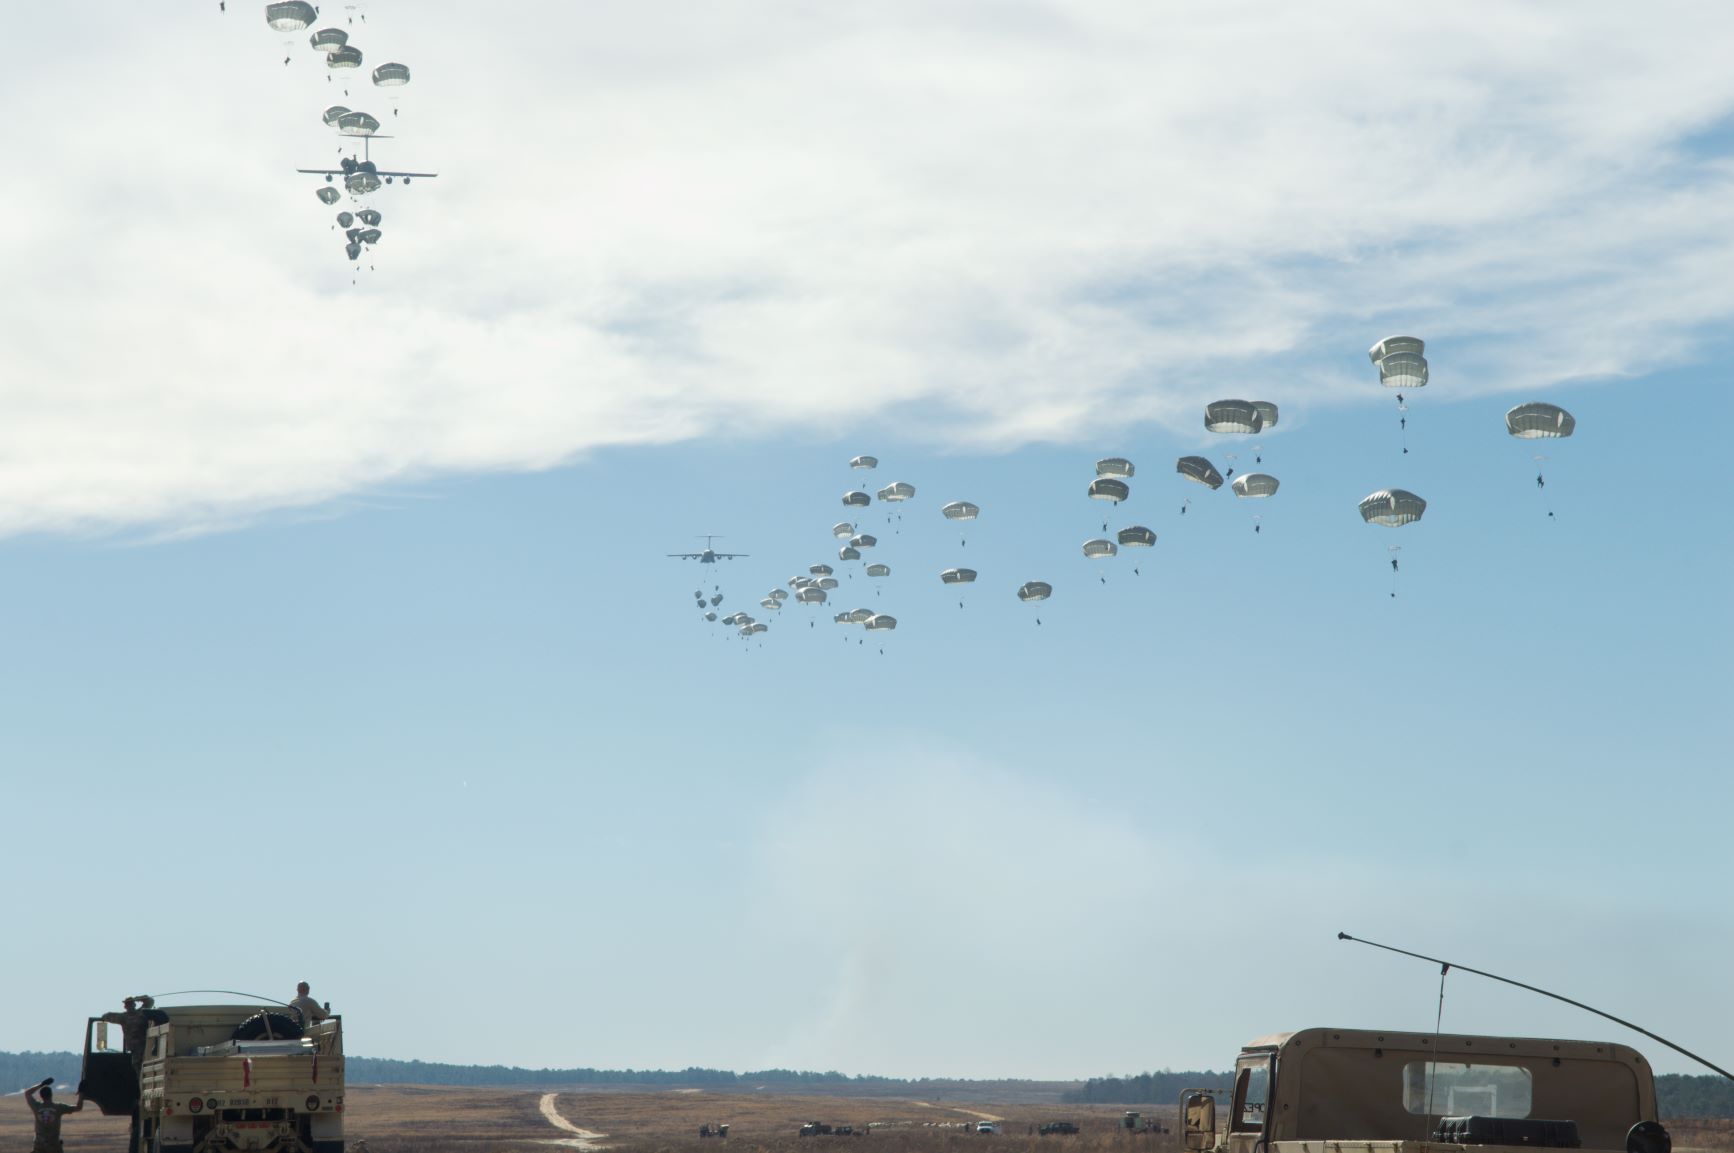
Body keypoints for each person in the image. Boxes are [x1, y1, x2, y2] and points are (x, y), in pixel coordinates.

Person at [25, 1078, 83, 1153]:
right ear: (51, 1095)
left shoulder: (36, 1107)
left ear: (41, 1096)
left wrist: (41, 1084)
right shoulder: (59, 1107)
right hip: (54, 1145)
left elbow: (27, 1093)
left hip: (39, 1145)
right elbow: (78, 1107)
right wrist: (81, 1093)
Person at [100, 997, 153, 1074]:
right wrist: (138, 998)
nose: (129, 1006)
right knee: (141, 1067)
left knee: (139, 1067)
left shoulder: (126, 1016)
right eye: (128, 1004)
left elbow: (106, 1016)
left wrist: (137, 998)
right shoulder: (141, 1013)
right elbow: (150, 1001)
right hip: (144, 1046)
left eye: (129, 1003)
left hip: (141, 1047)